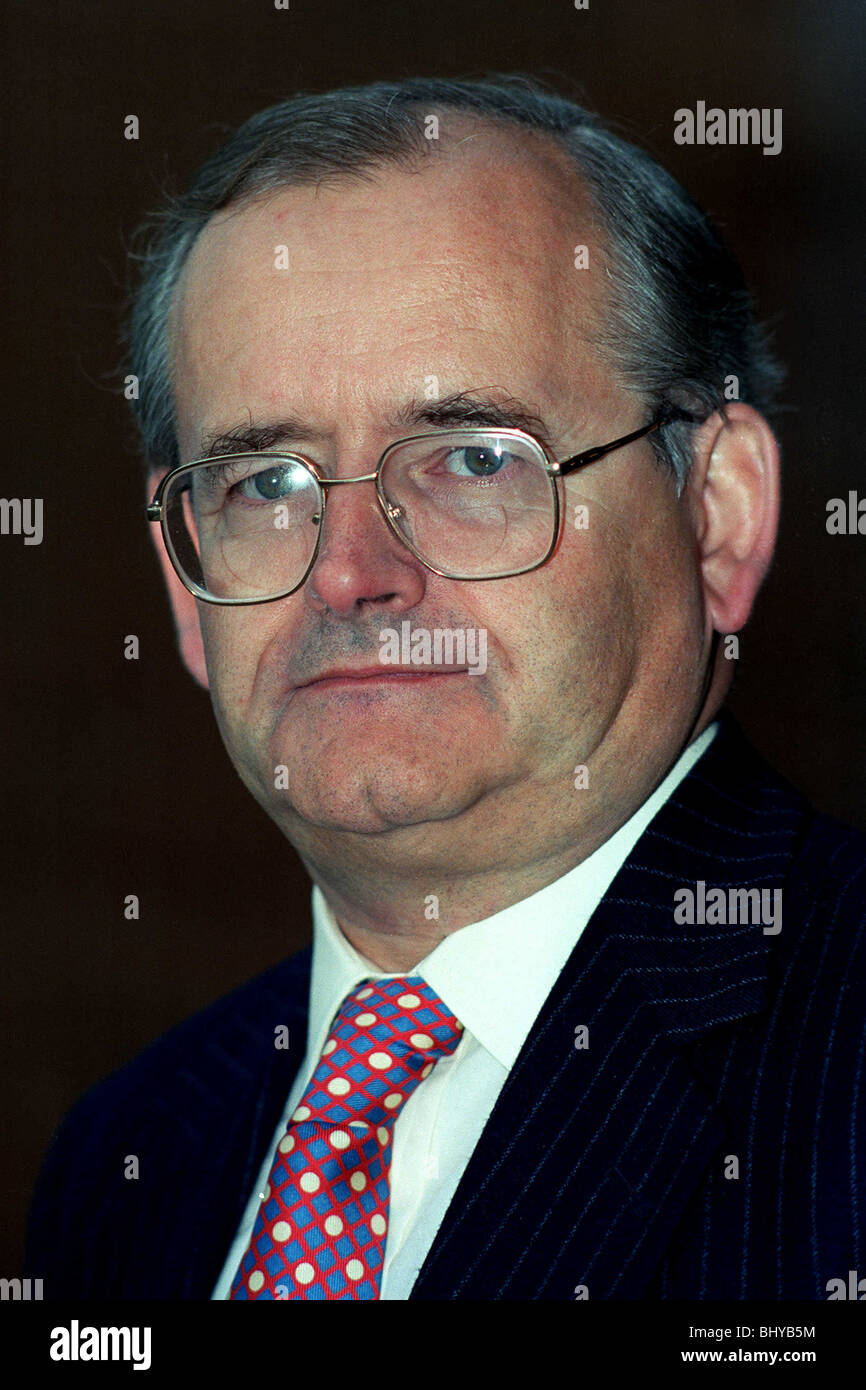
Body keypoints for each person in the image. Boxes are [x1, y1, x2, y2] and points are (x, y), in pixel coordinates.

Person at [24, 75, 866, 1301]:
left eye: (475, 459)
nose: (352, 575)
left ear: (716, 519)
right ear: (182, 583)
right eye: (264, 482)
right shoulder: (127, 1155)